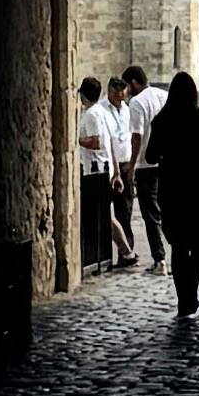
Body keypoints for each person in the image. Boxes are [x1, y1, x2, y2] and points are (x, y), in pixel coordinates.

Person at [149, 68, 199, 318]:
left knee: (178, 246)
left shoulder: (161, 120)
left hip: (172, 188)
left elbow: (150, 155)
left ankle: (184, 296)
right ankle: (191, 287)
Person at [117, 64, 166, 272]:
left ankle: (159, 258)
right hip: (167, 160)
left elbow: (136, 136)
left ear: (134, 83)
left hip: (147, 163)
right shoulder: (164, 96)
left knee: (150, 213)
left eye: (127, 86)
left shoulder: (137, 103)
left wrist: (132, 166)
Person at [77, 74, 114, 277]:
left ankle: (96, 256)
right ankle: (104, 255)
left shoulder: (92, 114)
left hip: (94, 168)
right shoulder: (99, 111)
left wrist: (77, 141)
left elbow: (96, 141)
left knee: (97, 214)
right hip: (100, 167)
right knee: (103, 213)